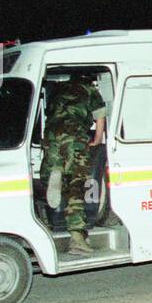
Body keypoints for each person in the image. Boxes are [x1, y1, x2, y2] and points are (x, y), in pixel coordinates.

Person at [41, 73, 105, 256]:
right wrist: (97, 140)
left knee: (50, 173)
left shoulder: (59, 90)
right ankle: (77, 239)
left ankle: (55, 171)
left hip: (51, 134)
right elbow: (99, 116)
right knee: (76, 187)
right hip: (75, 136)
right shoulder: (90, 89)